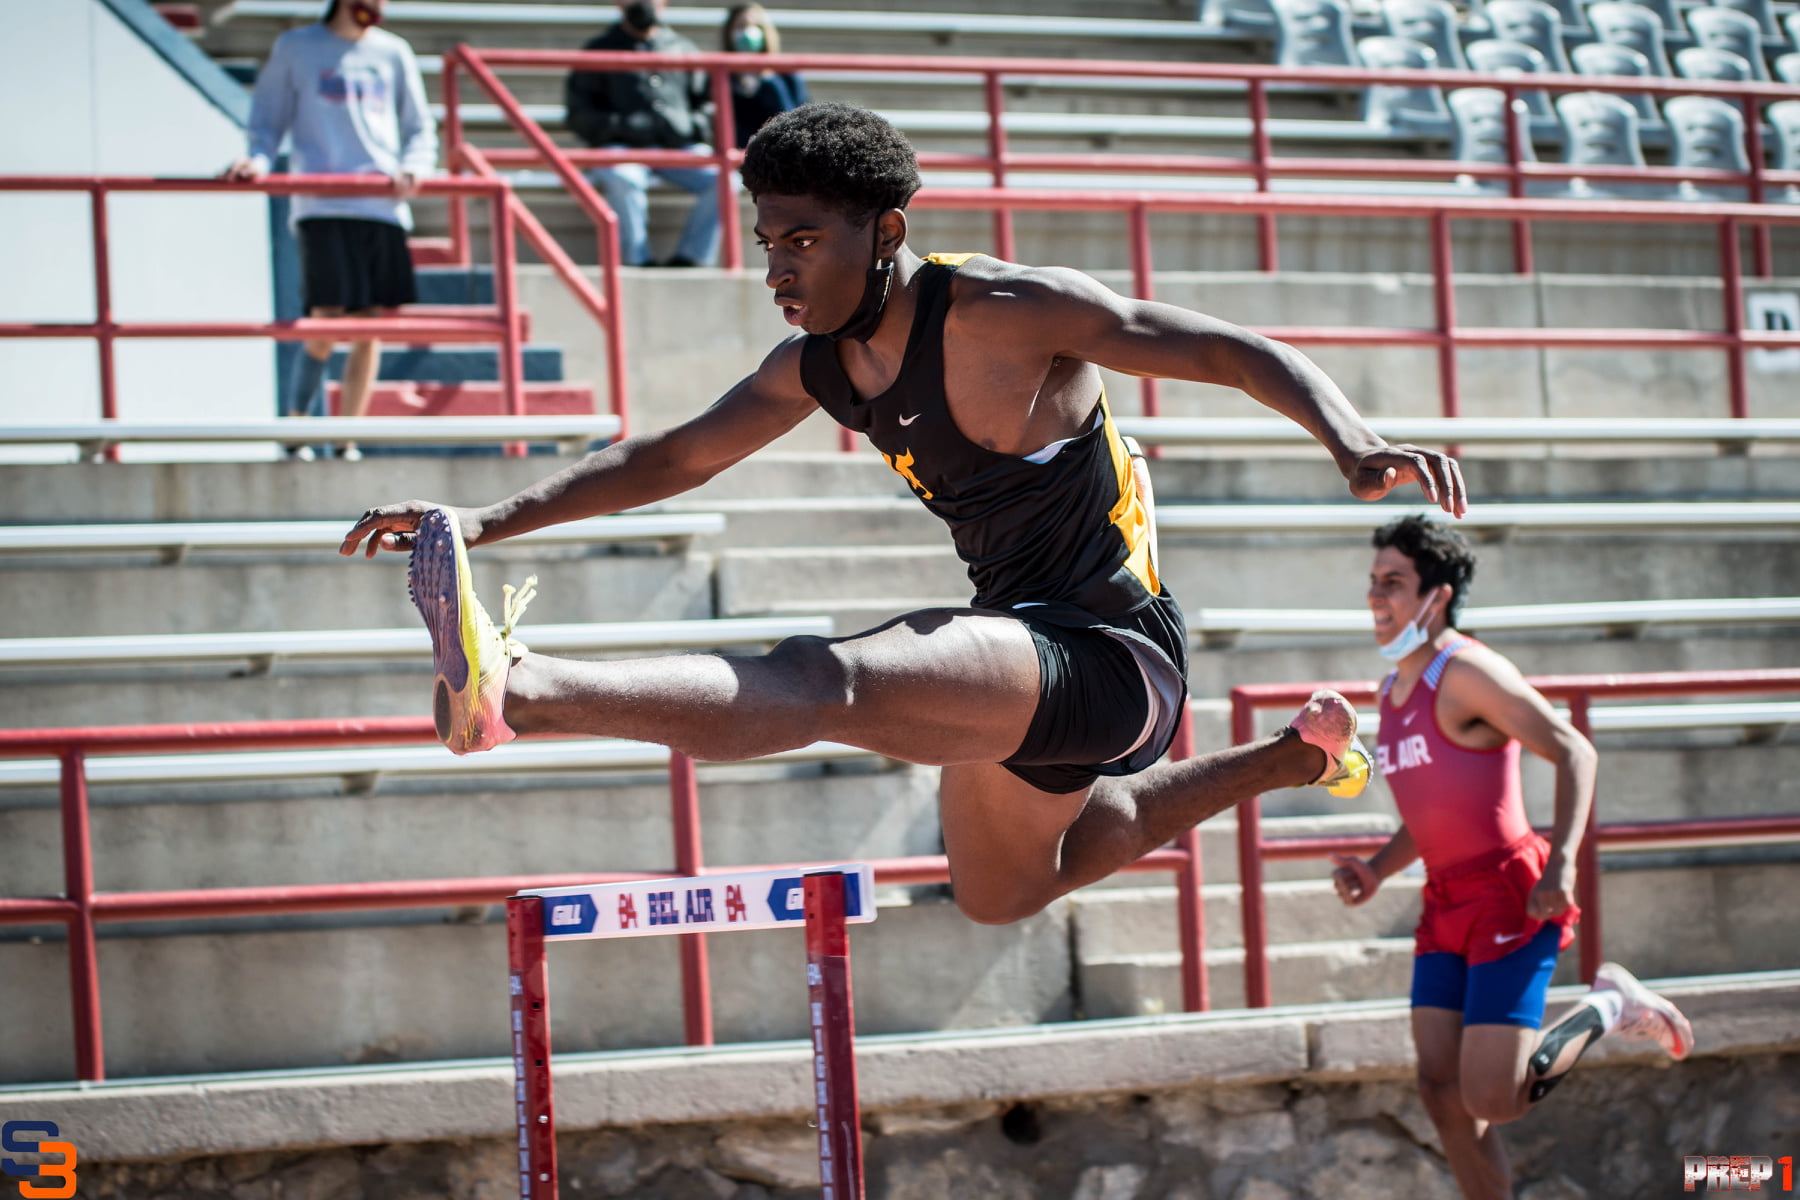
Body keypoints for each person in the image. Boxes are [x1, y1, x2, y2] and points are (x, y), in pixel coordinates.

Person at [341, 102, 1466, 928]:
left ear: (885, 232)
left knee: (831, 679)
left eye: (803, 241)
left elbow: (1226, 347)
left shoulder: (1009, 311)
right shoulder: (820, 363)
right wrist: (481, 519)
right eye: (766, 239)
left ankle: (517, 692)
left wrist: (1351, 441)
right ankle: (1293, 761)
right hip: (1017, 650)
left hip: (1113, 654)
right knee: (1001, 892)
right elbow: (673, 457)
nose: (776, 268)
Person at [1330, 515, 1693, 1200]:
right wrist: (1378, 868)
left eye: (1394, 583)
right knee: (1440, 1089)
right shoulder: (1388, 691)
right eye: (1373, 582)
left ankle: (1608, 1008)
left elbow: (1574, 749)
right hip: (1444, 902)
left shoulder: (1467, 670)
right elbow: (1436, 809)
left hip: (1508, 893)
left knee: (1495, 1099)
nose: (1376, 597)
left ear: (1435, 596)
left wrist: (1562, 865)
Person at [225, 0, 437, 459]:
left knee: (369, 329)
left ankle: (346, 439)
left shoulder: (393, 52)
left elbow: (420, 129)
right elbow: (266, 122)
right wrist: (255, 161)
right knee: (324, 322)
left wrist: (413, 167)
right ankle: (297, 430)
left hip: (381, 208)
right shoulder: (297, 47)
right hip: (322, 203)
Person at [568, 0, 722, 268]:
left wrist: (689, 125)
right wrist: (622, 125)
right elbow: (579, 114)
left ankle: (692, 260)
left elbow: (708, 106)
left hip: (678, 149)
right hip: (622, 149)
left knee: (724, 179)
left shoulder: (683, 49)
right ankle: (638, 262)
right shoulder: (598, 50)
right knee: (622, 177)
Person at [723, 4, 808, 148]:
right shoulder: (722, 78)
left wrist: (768, 82)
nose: (748, 32)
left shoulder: (787, 76)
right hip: (739, 159)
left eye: (755, 26)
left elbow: (796, 122)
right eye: (741, 26)